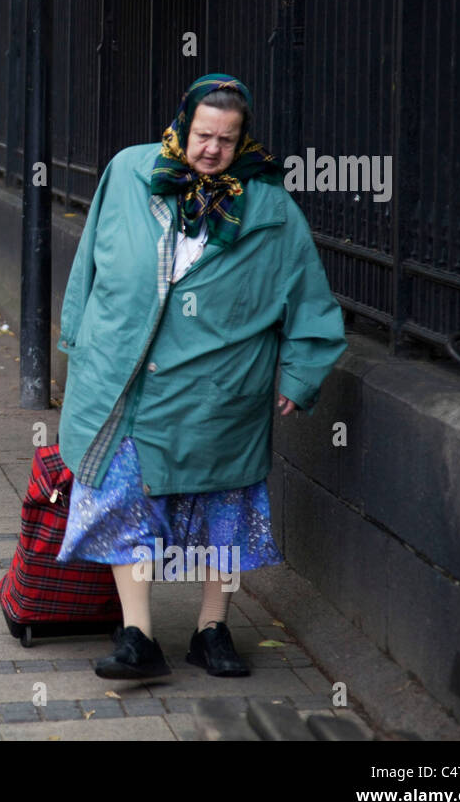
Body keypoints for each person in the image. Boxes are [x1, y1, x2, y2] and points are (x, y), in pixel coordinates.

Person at [55, 73, 347, 680]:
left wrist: (300, 372)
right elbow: (88, 260)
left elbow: (309, 298)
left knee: (223, 507)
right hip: (125, 379)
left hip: (220, 387)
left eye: (226, 138)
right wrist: (76, 337)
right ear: (183, 126)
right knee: (119, 499)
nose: (211, 149)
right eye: (202, 134)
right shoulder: (130, 172)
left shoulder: (269, 208)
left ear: (243, 140)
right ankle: (137, 635)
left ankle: (211, 630)